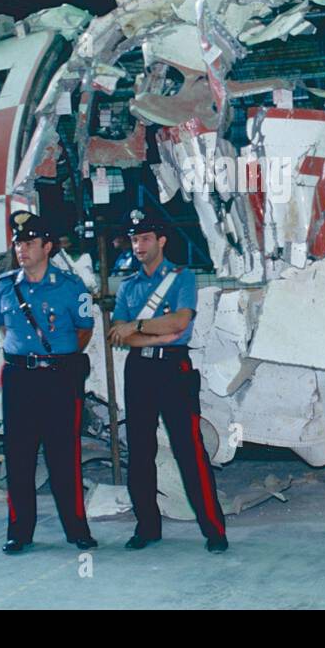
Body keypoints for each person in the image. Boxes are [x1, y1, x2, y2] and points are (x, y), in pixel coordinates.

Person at [107, 210, 228, 553]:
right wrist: (150, 333)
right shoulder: (128, 285)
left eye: (145, 238)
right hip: (139, 371)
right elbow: (119, 334)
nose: (138, 245)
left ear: (161, 240)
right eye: (134, 239)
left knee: (189, 450)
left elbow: (181, 321)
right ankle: (147, 526)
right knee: (140, 451)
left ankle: (214, 530)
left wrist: (138, 327)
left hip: (174, 369)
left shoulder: (182, 277)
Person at [0, 210, 98, 554]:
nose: (22, 249)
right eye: (18, 243)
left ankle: (77, 529)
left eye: (29, 242)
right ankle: (19, 532)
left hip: (58, 378)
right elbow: (4, 328)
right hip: (19, 378)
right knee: (18, 457)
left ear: (47, 246)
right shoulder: (6, 285)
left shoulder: (71, 286)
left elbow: (84, 329)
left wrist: (56, 360)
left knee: (64, 456)